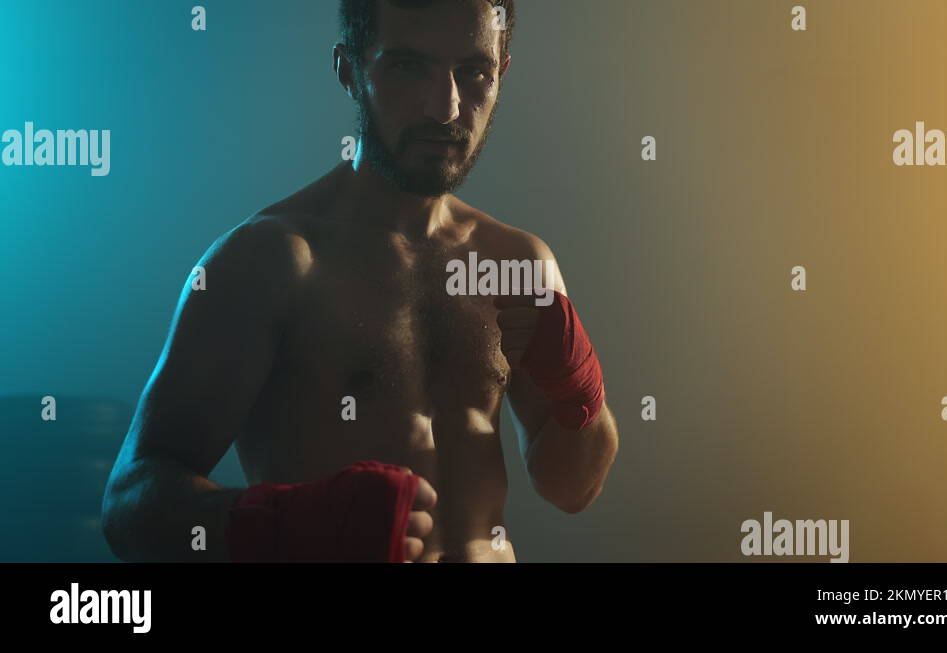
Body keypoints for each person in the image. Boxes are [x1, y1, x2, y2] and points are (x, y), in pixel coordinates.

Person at [102, 0, 618, 563]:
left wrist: (579, 391)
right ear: (349, 69)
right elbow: (129, 506)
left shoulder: (518, 260)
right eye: (406, 66)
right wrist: (283, 525)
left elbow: (573, 490)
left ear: (502, 73)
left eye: (474, 73)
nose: (446, 108)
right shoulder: (271, 262)